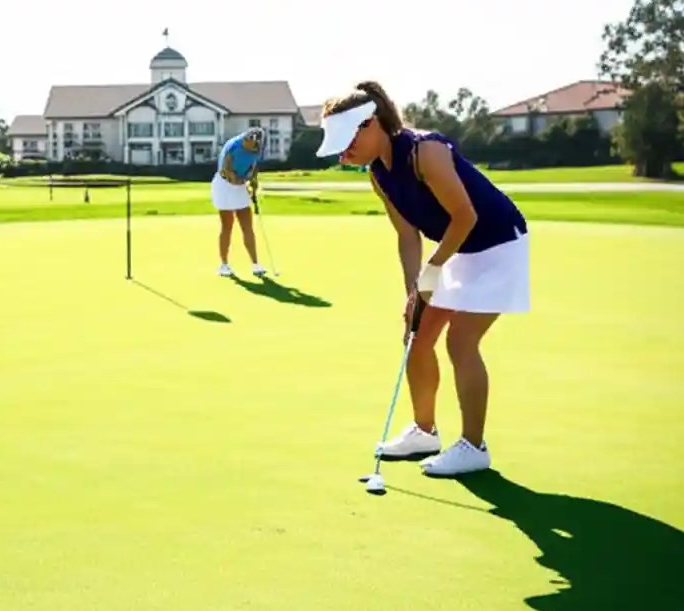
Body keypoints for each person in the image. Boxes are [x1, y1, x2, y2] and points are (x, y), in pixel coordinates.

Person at [315, 81, 530, 476]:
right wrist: (414, 290)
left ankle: (473, 447)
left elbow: (466, 216)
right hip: (456, 246)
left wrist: (432, 270)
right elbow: (407, 235)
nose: (343, 156)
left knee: (460, 342)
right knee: (415, 333)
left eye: (347, 143)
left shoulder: (425, 152)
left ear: (371, 124)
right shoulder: (378, 175)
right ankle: (424, 432)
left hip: (497, 244)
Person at [211, 127, 268, 277]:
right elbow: (227, 172)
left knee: (247, 226)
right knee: (227, 225)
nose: (254, 146)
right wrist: (241, 180)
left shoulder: (257, 149)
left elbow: (253, 168)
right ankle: (224, 265)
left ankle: (255, 264)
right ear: (246, 139)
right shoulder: (233, 146)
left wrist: (253, 183)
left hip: (240, 185)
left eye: (257, 144)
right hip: (223, 185)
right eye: (251, 142)